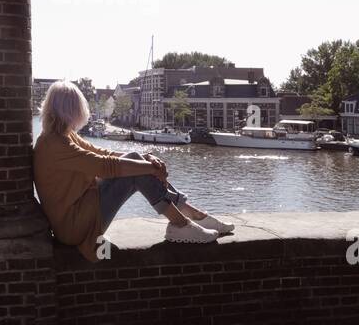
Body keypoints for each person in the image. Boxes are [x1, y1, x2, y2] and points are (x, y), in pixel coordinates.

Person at [32, 80, 233, 262]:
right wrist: (150, 167)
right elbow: (104, 166)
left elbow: (103, 152)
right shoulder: (55, 143)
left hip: (80, 212)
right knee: (136, 171)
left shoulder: (61, 135)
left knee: (137, 163)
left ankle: (193, 216)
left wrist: (145, 159)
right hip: (73, 227)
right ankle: (182, 223)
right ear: (72, 110)